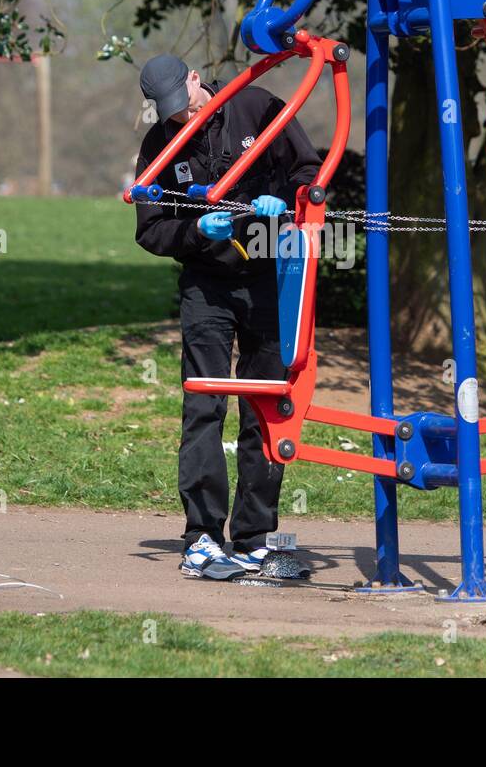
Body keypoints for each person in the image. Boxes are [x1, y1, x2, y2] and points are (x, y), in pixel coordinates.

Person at [134, 54, 321, 580]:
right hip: (206, 287)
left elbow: (310, 172)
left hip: (267, 278)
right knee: (204, 406)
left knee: (265, 408)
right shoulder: (160, 145)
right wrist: (197, 233)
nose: (180, 119)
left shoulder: (258, 107)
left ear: (196, 79)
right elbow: (150, 231)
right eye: (168, 113)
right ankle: (201, 537)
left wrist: (280, 201)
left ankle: (255, 538)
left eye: (184, 105)